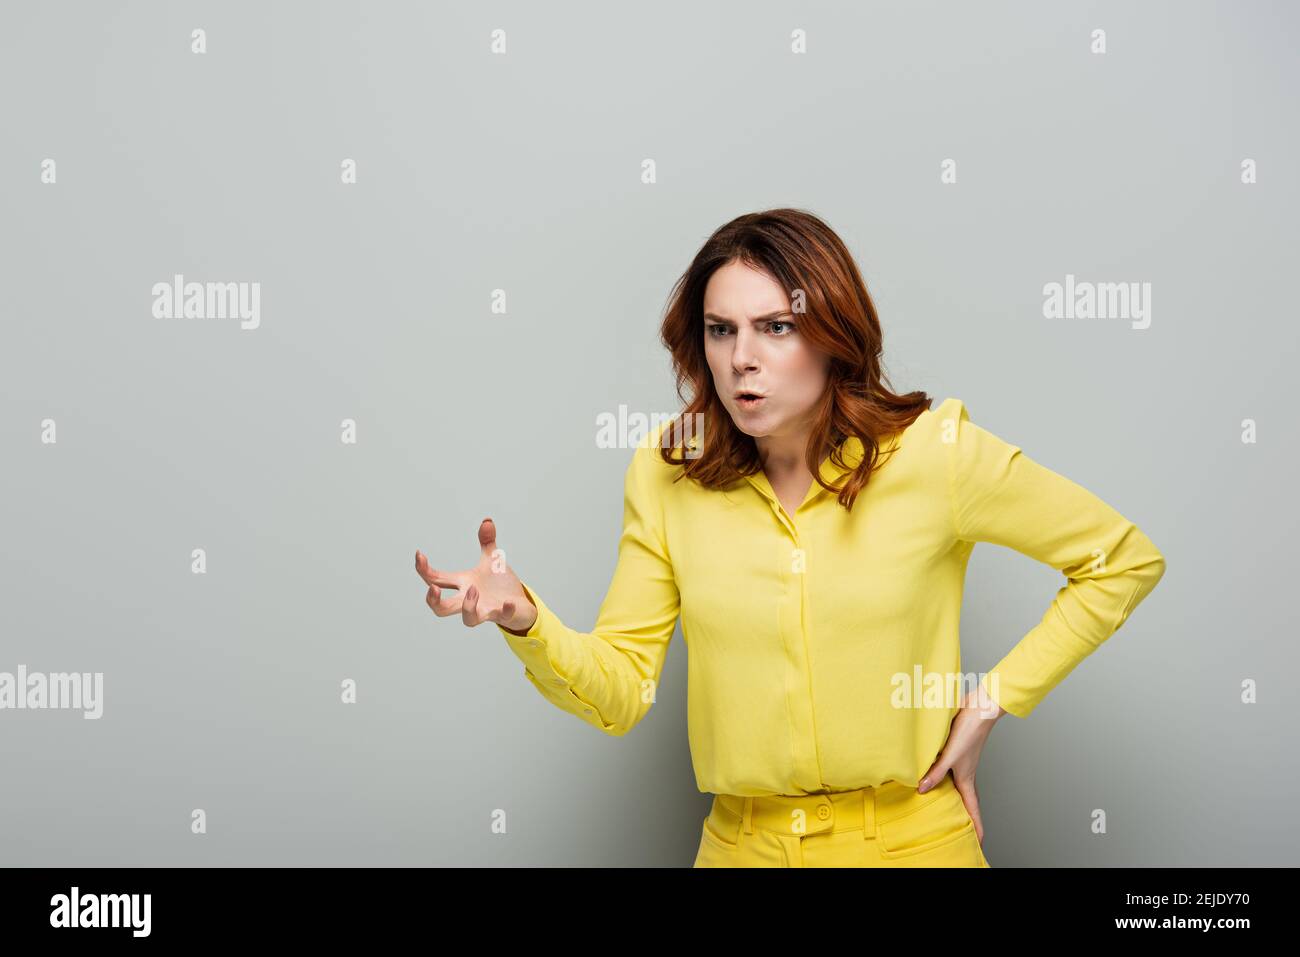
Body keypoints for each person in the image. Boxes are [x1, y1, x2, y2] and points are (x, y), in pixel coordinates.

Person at [413, 208, 1167, 867]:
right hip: (742, 848)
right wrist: (527, 620)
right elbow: (621, 690)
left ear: (835, 334)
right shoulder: (666, 474)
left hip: (912, 844)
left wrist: (990, 702)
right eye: (721, 330)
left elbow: (1122, 561)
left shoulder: (935, 454)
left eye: (776, 327)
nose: (742, 358)